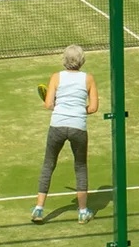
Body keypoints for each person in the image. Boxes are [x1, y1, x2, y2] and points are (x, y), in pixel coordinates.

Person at [31, 44, 99, 225]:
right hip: (78, 127)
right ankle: (83, 212)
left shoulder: (56, 77)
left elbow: (48, 104)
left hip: (57, 126)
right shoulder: (89, 79)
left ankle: (38, 208)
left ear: (64, 60)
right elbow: (93, 108)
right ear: (82, 60)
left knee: (48, 165)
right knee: (80, 167)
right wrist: (78, 110)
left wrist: (61, 107)